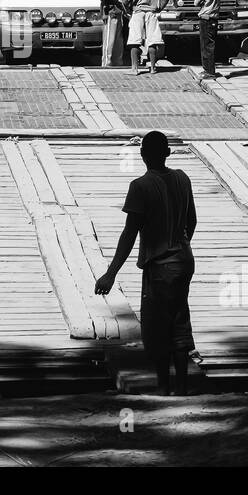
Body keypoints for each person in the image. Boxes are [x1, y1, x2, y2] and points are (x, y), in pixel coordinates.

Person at [94, 131, 198, 396]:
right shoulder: (182, 178)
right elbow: (192, 221)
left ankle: (164, 387)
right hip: (184, 261)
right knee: (179, 320)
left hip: (161, 265)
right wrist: (181, 244)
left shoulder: (140, 186)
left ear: (142, 156)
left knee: (157, 326)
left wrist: (110, 274)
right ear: (168, 153)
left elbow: (130, 233)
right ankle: (183, 387)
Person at [118, 0, 172, 76]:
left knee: (135, 41)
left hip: (137, 13)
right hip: (151, 13)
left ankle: (134, 68)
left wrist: (127, 11)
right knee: (152, 41)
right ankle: (152, 68)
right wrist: (159, 7)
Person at [96, 0, 128, 67]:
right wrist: (107, 1)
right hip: (110, 14)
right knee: (109, 40)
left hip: (118, 14)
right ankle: (106, 63)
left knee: (118, 41)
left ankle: (117, 63)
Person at [192, 0, 222, 79]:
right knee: (211, 45)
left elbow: (196, 2)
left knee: (205, 46)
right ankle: (211, 70)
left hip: (206, 19)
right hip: (214, 18)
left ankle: (209, 71)